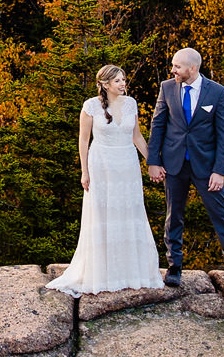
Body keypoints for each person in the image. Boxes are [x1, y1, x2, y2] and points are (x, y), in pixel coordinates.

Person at [47, 64, 163, 296]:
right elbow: (83, 141)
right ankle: (103, 273)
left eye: (124, 80)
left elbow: (136, 135)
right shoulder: (90, 106)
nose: (123, 84)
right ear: (105, 84)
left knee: (128, 213)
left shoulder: (131, 104)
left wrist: (152, 162)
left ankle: (130, 271)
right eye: (118, 81)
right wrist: (84, 172)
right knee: (103, 215)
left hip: (127, 166)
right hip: (102, 165)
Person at [147, 47, 224, 291]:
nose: (173, 70)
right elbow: (158, 125)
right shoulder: (167, 87)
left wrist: (219, 171)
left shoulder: (217, 92)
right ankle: (174, 267)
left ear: (192, 68)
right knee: (174, 216)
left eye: (177, 67)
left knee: (221, 216)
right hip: (174, 163)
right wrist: (153, 161)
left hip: (206, 168)